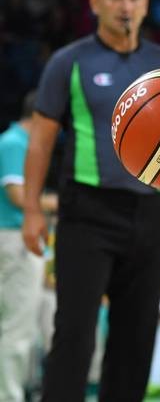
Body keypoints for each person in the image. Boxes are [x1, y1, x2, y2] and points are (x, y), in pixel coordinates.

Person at [21, 0, 160, 402]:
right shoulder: (68, 62)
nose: (124, 6)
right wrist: (33, 210)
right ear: (94, 3)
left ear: (146, 4)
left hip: (151, 216)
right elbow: (40, 144)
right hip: (86, 215)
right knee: (74, 335)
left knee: (137, 338)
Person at [0, 90, 57, 401]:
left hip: (11, 240)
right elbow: (18, 196)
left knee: (13, 326)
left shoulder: (19, 143)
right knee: (17, 328)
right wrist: (56, 201)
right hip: (14, 240)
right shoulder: (14, 143)